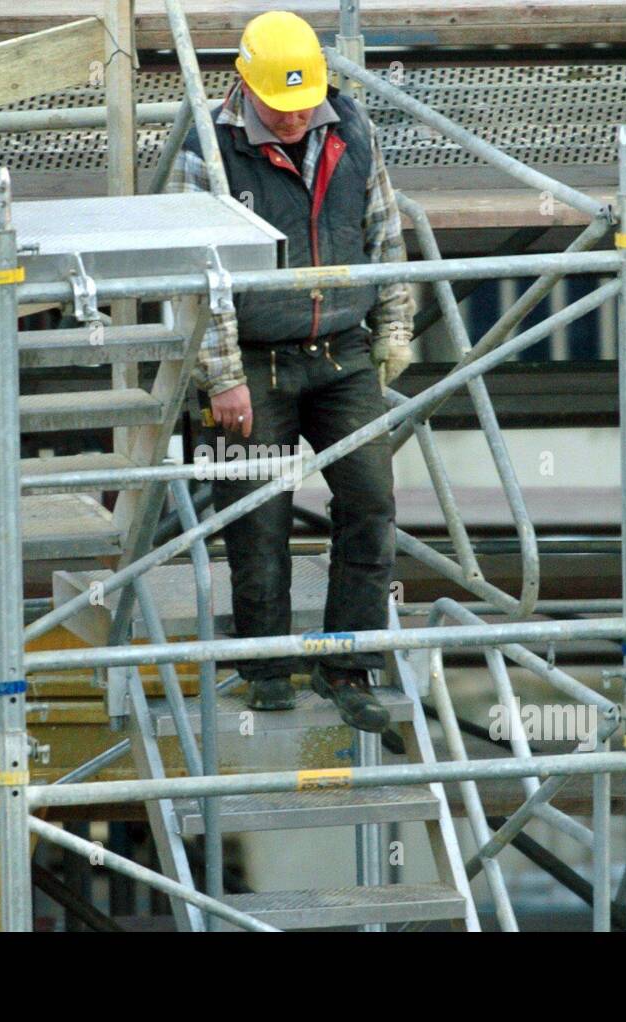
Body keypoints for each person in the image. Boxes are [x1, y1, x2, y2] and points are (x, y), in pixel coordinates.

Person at [166, 11, 415, 733]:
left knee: (370, 504)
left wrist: (394, 327)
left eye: (306, 99)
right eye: (283, 102)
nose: (298, 113)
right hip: (250, 360)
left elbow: (385, 234)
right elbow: (196, 273)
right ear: (245, 85)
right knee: (254, 519)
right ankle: (268, 667)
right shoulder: (206, 150)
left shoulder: (351, 130)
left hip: (342, 350)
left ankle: (348, 663)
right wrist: (221, 377)